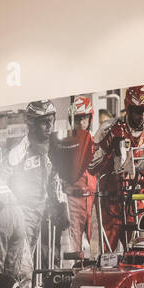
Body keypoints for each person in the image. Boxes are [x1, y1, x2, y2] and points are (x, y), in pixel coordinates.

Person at [89, 85, 144, 252]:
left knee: (140, 256)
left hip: (140, 204)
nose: (142, 116)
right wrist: (107, 144)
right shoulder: (107, 128)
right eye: (137, 111)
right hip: (107, 205)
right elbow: (90, 166)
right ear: (128, 107)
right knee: (100, 260)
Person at [2, 99, 70, 288]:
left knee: (39, 264)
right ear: (31, 123)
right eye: (43, 122)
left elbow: (55, 180)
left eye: (51, 120)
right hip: (19, 215)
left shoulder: (54, 147)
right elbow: (1, 178)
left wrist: (60, 206)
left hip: (42, 215)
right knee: (24, 268)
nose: (49, 126)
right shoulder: (19, 149)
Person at [64, 95, 98, 258]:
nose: (81, 123)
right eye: (77, 119)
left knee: (97, 248)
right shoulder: (65, 143)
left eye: (84, 118)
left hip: (94, 200)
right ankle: (74, 277)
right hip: (73, 201)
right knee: (74, 248)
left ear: (90, 119)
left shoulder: (97, 141)